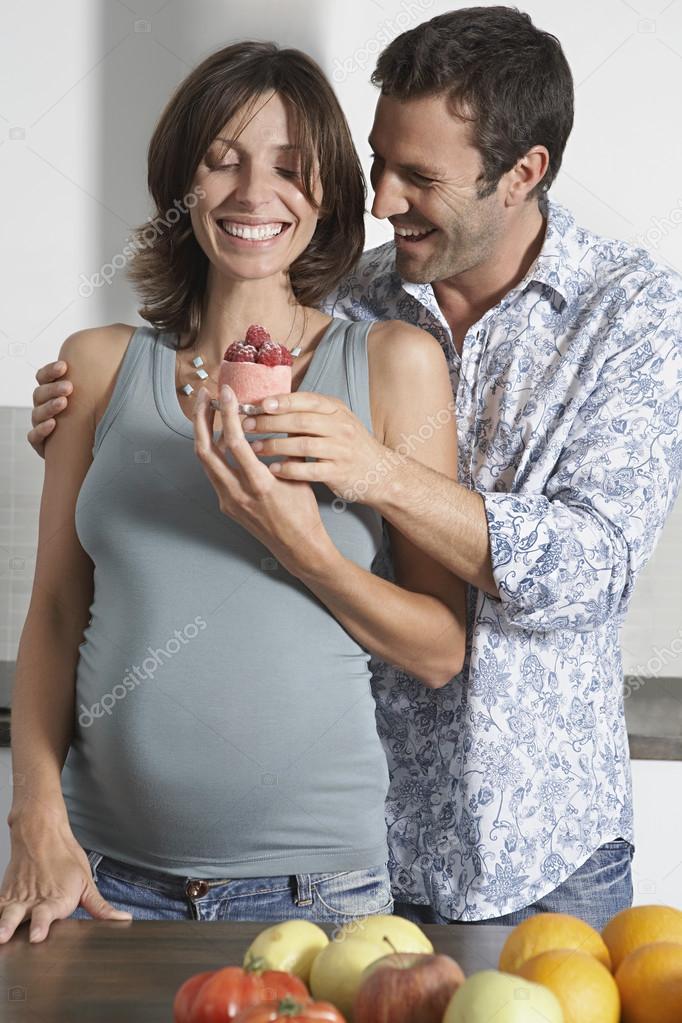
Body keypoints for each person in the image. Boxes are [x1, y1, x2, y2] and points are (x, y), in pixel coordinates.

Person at [27, 7, 682, 930]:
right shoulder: (358, 289)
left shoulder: (632, 315)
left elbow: (593, 568)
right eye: (378, 163)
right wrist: (82, 411)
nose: (383, 200)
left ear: (523, 173)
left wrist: (376, 477)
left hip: (537, 846)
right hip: (361, 838)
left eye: (419, 176)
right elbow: (237, 296)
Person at [1, 40, 467, 945]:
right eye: (222, 161)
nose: (256, 193)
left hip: (318, 892)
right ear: (183, 184)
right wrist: (36, 815)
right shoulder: (99, 368)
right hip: (98, 878)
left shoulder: (393, 367)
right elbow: (55, 612)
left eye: (292, 169)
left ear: (327, 192)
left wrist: (303, 546)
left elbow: (440, 648)